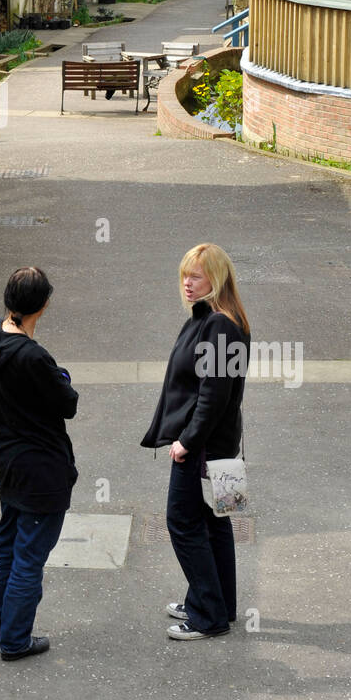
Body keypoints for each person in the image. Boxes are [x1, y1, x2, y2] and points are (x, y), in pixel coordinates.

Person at [141, 242, 250, 641]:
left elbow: (214, 394)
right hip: (212, 441)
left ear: (215, 279)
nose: (187, 283)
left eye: (197, 276)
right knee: (212, 521)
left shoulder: (219, 324)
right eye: (185, 274)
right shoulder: (216, 318)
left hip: (202, 443)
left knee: (183, 521)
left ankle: (208, 615)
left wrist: (186, 441)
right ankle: (220, 602)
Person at [0, 267, 79, 661]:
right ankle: (15, 640)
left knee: (6, 543)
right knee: (29, 557)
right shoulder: (34, 357)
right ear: (44, 304)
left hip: (8, 462)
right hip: (42, 470)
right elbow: (67, 402)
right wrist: (61, 375)